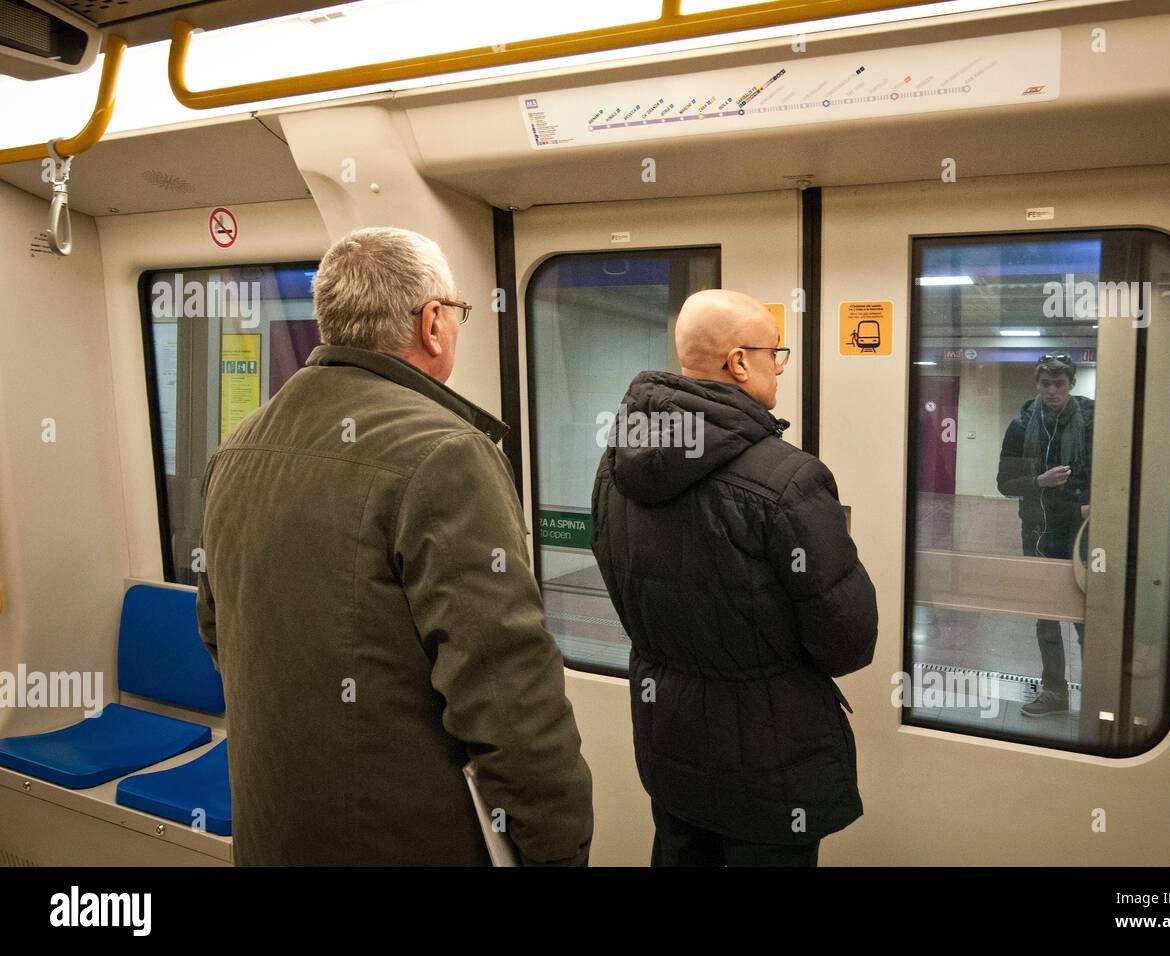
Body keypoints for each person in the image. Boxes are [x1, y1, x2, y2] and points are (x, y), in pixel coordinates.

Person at [196, 226, 593, 865]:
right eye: (458, 313)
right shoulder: (445, 455)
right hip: (404, 838)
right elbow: (505, 691)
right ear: (433, 323)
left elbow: (217, 628)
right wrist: (557, 845)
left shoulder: (238, 447)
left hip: (273, 828)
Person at [590, 289, 878, 866]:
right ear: (740, 361)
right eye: (778, 352)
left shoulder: (617, 463)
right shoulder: (788, 480)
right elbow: (848, 638)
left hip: (669, 741)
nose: (780, 366)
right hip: (771, 761)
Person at [996, 353, 1094, 718]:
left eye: (1059, 384)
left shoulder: (1092, 423)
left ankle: (1097, 692)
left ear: (1071, 384)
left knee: (1086, 615)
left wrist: (1089, 501)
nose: (1052, 391)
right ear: (1036, 385)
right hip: (1037, 530)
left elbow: (1113, 476)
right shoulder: (1020, 428)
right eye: (1045, 384)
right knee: (1046, 616)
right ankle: (1055, 693)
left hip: (1080, 531)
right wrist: (1038, 482)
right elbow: (1005, 483)